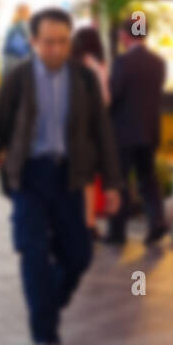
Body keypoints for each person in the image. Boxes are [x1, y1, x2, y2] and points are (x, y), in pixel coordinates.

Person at [0, 8, 121, 345]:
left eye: (62, 41)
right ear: (34, 42)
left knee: (79, 256)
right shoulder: (18, 79)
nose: (56, 49)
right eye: (48, 42)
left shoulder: (84, 78)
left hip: (70, 178)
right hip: (30, 178)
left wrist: (113, 183)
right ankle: (46, 336)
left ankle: (48, 307)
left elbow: (101, 133)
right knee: (34, 254)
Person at [105, 22, 169, 246]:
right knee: (148, 178)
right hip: (150, 131)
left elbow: (113, 96)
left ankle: (117, 233)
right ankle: (157, 222)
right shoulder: (158, 62)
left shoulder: (123, 62)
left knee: (119, 180)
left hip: (124, 133)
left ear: (124, 35)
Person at [70, 26, 110, 239]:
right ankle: (89, 223)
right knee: (88, 178)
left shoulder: (70, 65)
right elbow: (105, 99)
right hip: (91, 129)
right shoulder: (98, 67)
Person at [2, 3, 33, 74]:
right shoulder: (25, 25)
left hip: (8, 61)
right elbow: (31, 44)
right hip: (21, 62)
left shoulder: (11, 26)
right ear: (27, 12)